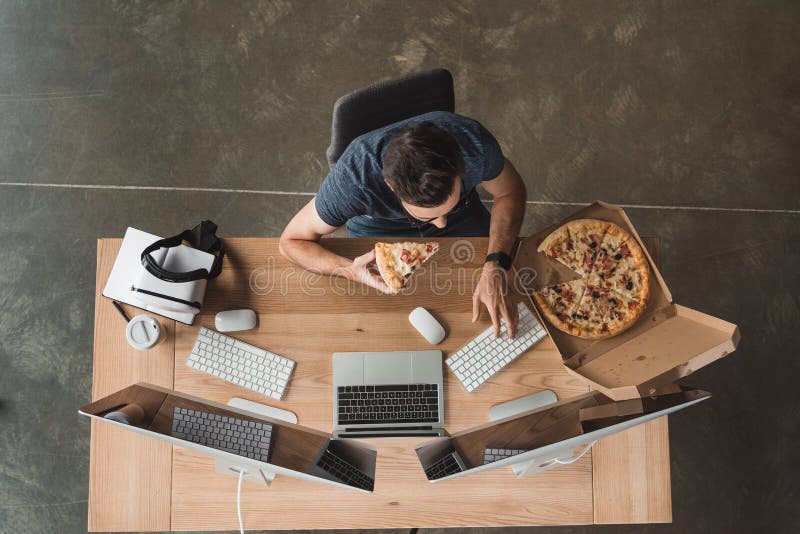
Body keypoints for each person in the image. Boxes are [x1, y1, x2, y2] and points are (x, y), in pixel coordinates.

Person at [279, 111, 526, 337]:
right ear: (391, 187)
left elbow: (510, 192)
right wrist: (349, 270)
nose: (441, 226)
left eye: (445, 209)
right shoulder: (354, 179)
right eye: (430, 217)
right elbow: (291, 241)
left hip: (463, 213)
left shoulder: (473, 142)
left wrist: (495, 265)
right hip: (380, 226)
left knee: (512, 283)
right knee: (383, 322)